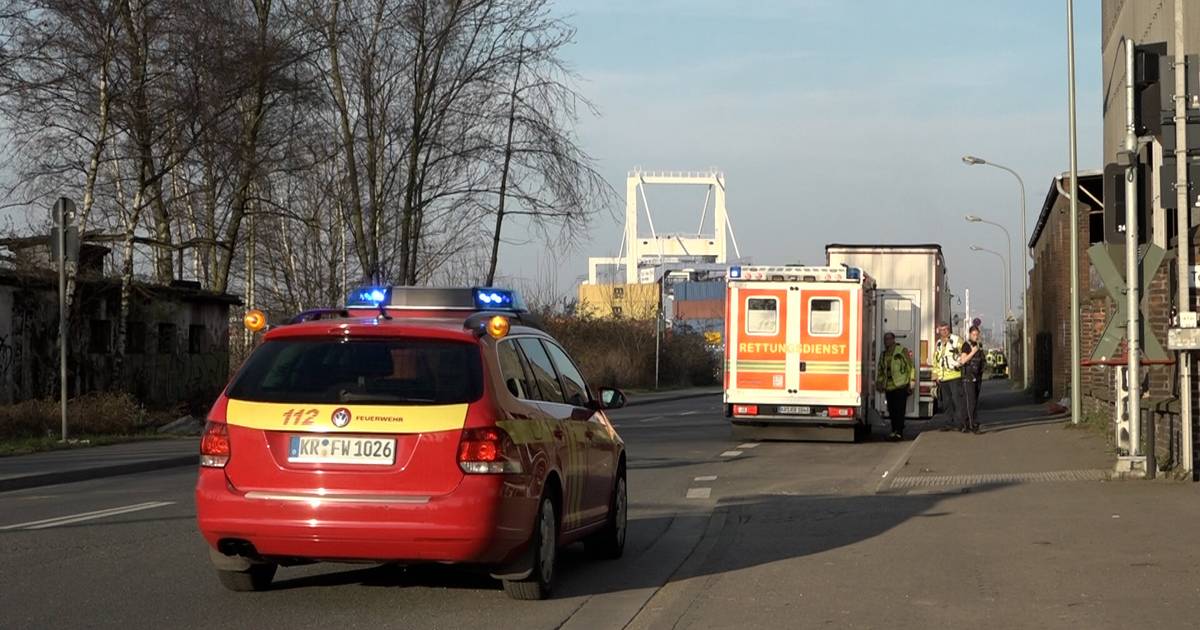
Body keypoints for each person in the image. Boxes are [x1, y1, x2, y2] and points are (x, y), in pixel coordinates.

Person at [876, 332, 916, 441]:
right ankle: (894, 431)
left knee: (899, 410)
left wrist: (912, 382)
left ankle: (899, 432)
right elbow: (880, 370)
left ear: (893, 340)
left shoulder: (901, 351)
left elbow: (910, 367)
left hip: (901, 385)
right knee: (892, 411)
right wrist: (879, 382)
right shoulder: (883, 354)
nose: (887, 341)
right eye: (885, 339)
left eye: (889, 339)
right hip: (889, 387)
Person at [932, 323, 967, 431]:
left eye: (946, 329)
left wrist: (960, 362)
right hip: (943, 378)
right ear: (939, 331)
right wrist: (935, 374)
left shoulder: (956, 340)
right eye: (942, 330)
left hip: (954, 376)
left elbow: (965, 351)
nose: (944, 332)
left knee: (957, 401)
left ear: (949, 330)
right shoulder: (938, 343)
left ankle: (961, 424)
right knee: (946, 402)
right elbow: (936, 360)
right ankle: (948, 423)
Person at [958, 326, 986, 433]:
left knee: (969, 401)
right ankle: (973, 424)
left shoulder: (979, 345)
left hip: (977, 376)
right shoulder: (966, 345)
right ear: (970, 334)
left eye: (977, 334)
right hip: (968, 377)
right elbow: (963, 360)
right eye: (973, 335)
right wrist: (973, 352)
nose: (975, 337)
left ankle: (964, 424)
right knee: (971, 402)